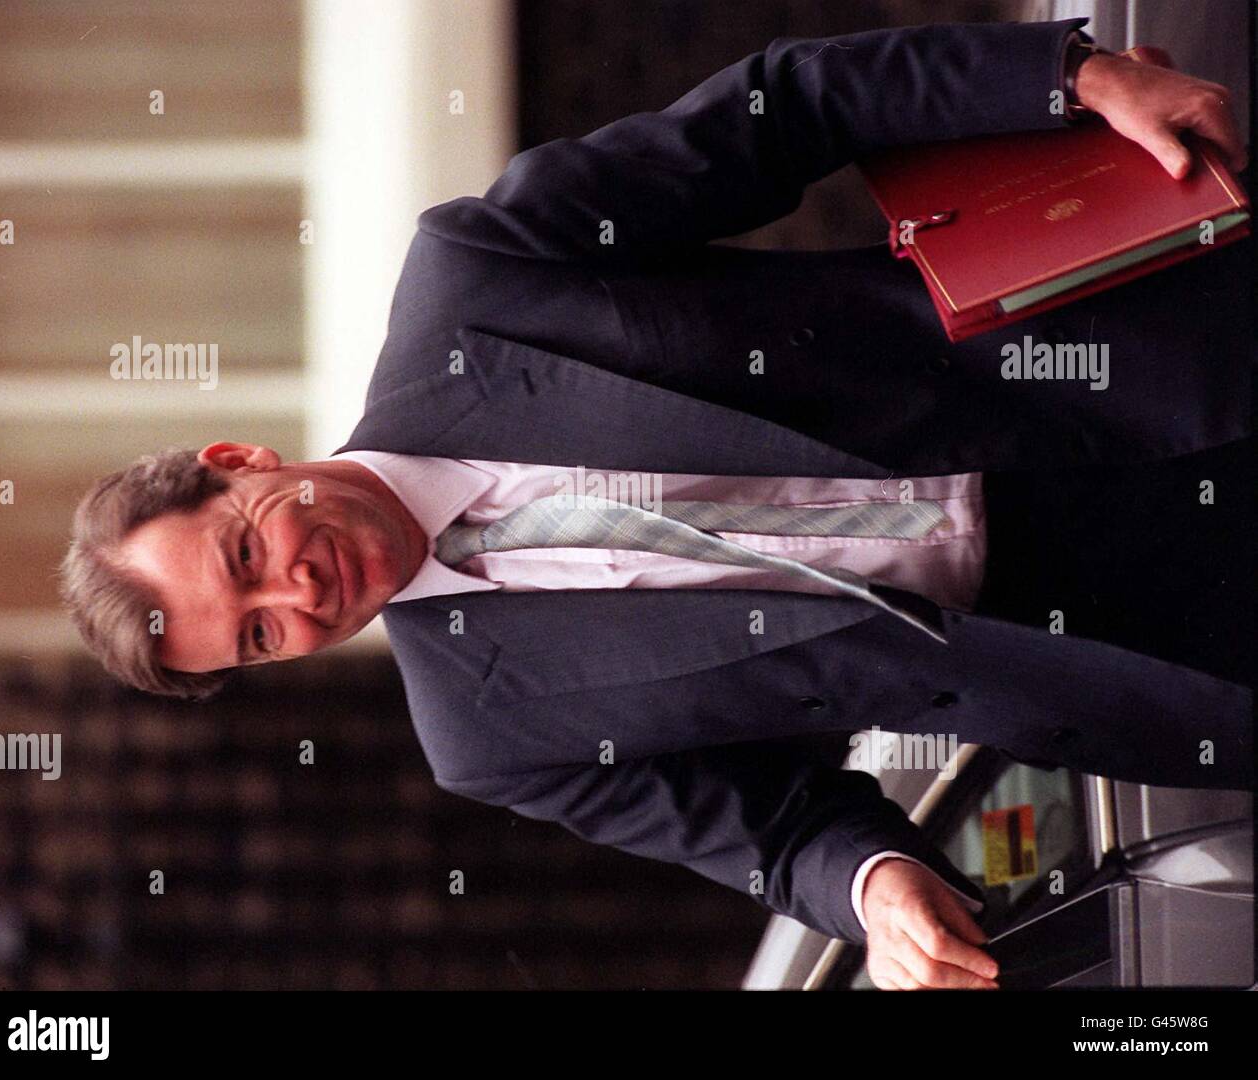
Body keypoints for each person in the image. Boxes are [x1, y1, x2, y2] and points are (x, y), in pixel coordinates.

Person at [61, 18, 1252, 990]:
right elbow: (775, 830)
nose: (297, 590)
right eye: (261, 631)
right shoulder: (489, 742)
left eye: (246, 550)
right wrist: (875, 890)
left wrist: (1068, 77)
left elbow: (780, 110)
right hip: (1123, 651)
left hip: (1130, 376)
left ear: (237, 457)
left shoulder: (477, 281)